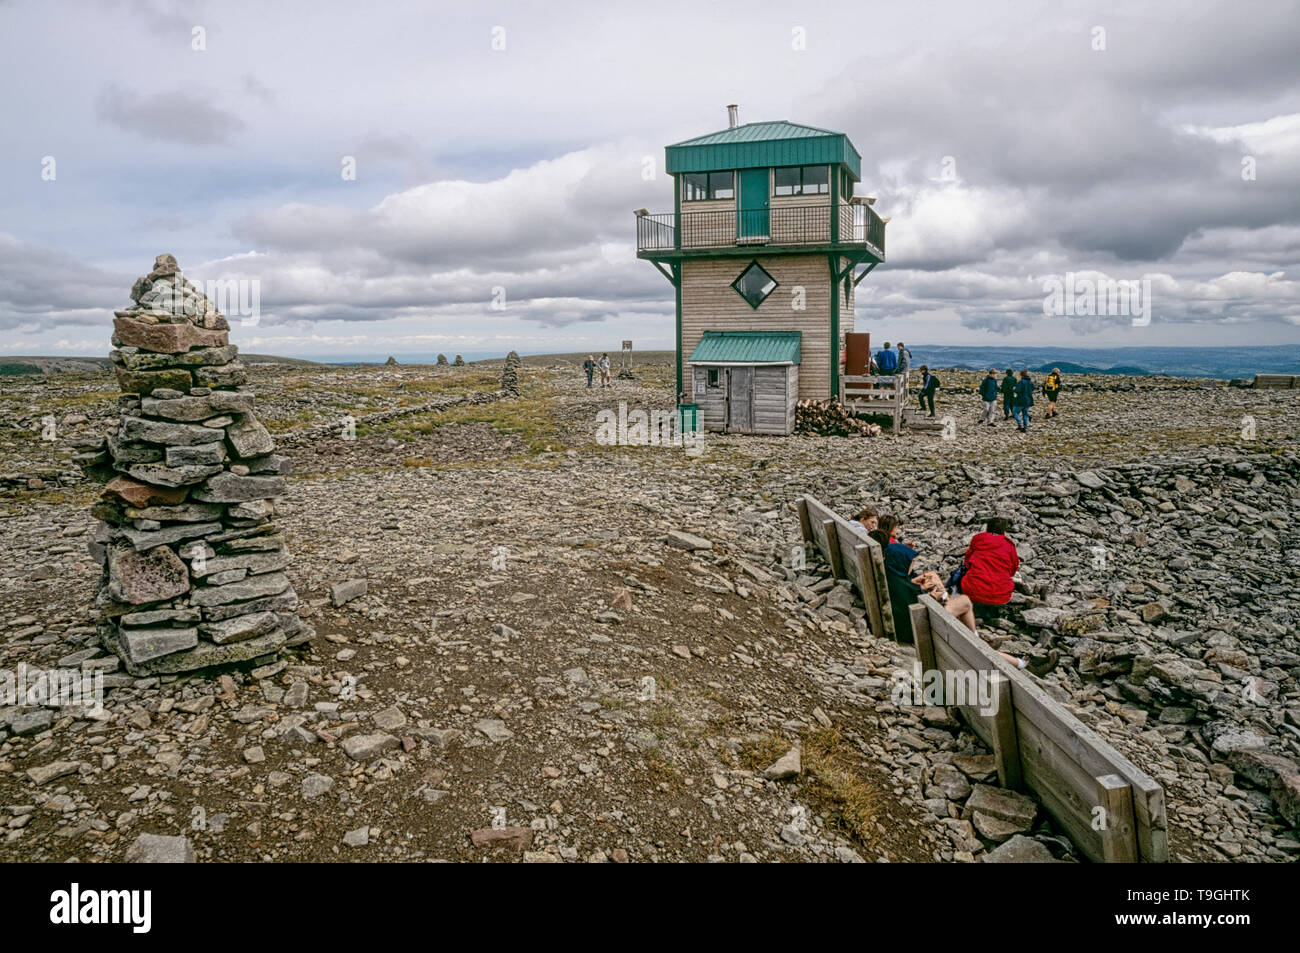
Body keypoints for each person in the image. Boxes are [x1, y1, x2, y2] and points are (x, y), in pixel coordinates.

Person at [873, 525, 1059, 675]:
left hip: (909, 623)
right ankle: (1022, 664)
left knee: (961, 608)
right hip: (917, 627)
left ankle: (1018, 661)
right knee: (964, 606)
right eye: (910, 564)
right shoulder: (1008, 544)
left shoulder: (893, 579)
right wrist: (936, 593)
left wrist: (919, 584)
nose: (912, 568)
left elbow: (968, 561)